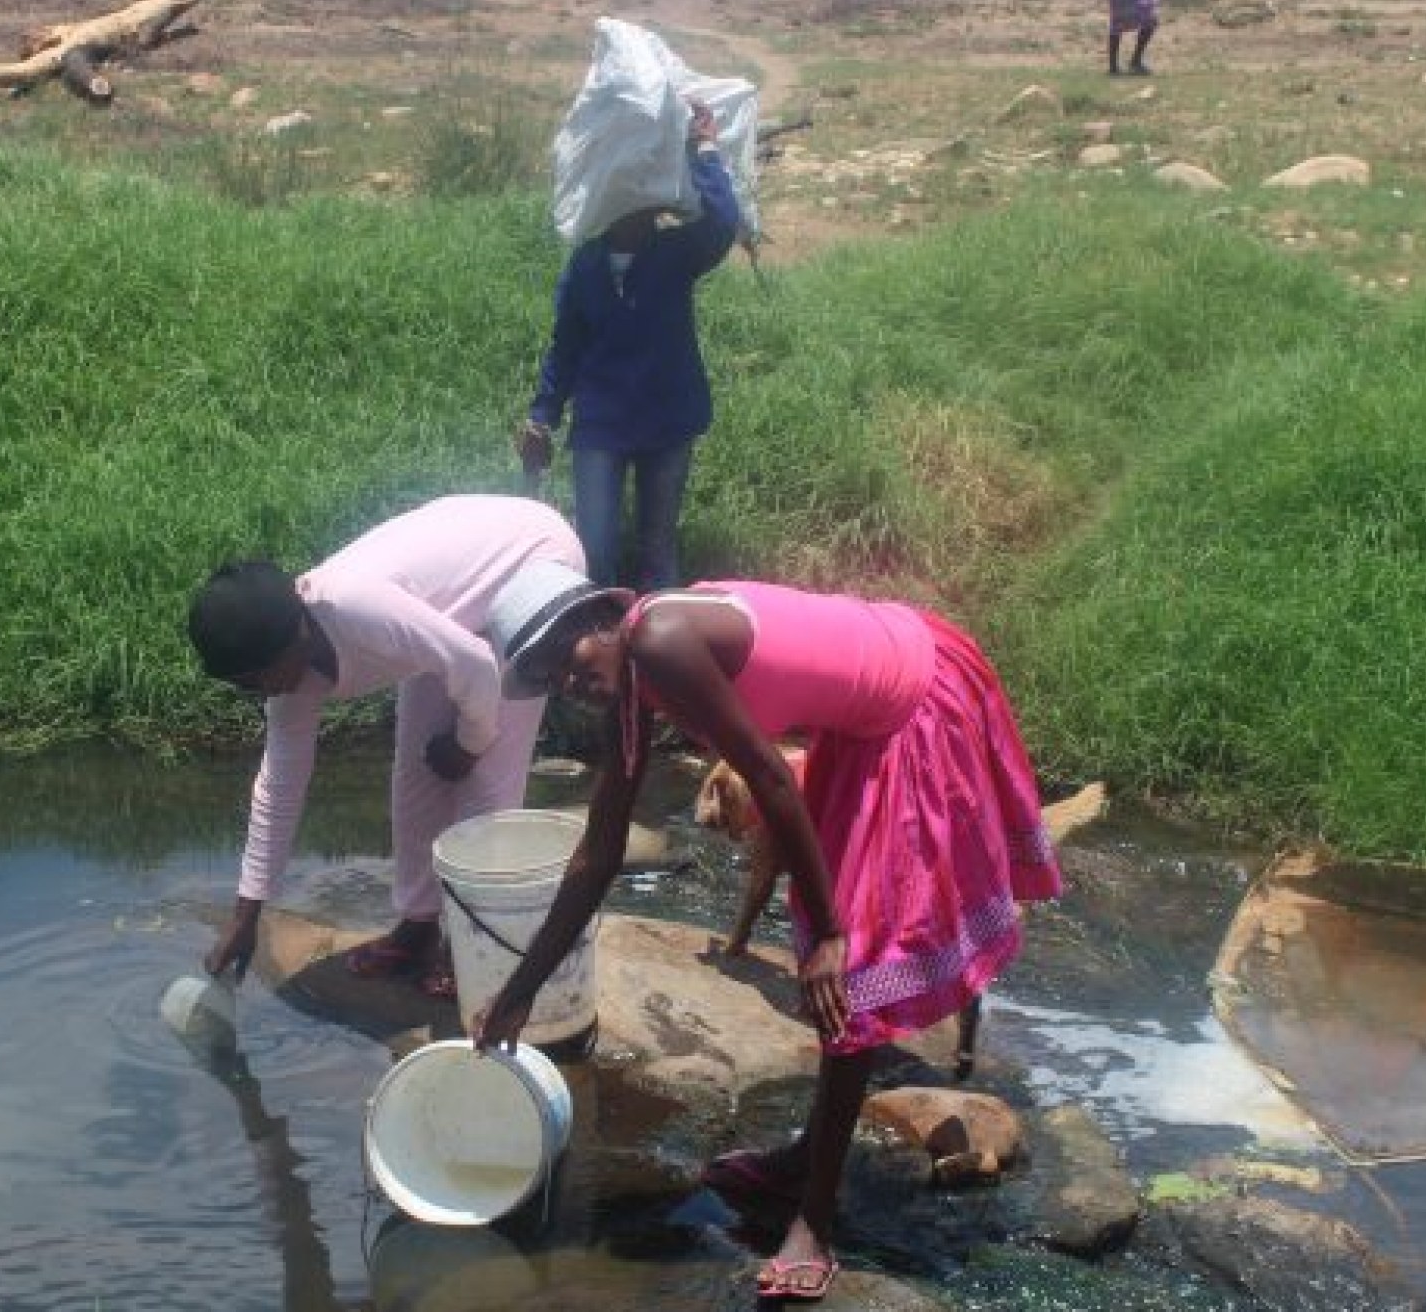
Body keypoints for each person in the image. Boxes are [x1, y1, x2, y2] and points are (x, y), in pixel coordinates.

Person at [475, 563, 1062, 1303]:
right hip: (860, 714)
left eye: (569, 659)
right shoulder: (634, 676)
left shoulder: (658, 639)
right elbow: (599, 851)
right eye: (551, 678)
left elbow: (770, 779)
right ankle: (803, 1160)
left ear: (599, 620)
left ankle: (814, 1221)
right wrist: (518, 995)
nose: (569, 681)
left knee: (853, 970)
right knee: (833, 940)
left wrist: (828, 936)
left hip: (912, 699)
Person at [184, 495, 587, 995]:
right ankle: (419, 925)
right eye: (245, 685)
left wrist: (469, 741)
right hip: (449, 605)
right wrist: (246, 917)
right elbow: (278, 789)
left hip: (526, 560)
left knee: (485, 777)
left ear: (297, 636)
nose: (262, 691)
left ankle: (474, 946)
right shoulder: (293, 677)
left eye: (260, 676)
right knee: (416, 774)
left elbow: (477, 666)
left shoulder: (356, 609)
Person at [515, 99, 740, 592]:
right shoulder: (585, 266)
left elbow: (725, 222)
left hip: (667, 420)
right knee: (593, 551)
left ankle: (660, 655)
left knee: (658, 551)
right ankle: (603, 653)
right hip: (602, 425)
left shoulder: (677, 252)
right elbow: (566, 348)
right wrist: (542, 417)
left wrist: (703, 148)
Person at [1106, 0, 1160, 76]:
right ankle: (1136, 61)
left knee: (1116, 25)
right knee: (1151, 22)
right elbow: (1145, 0)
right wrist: (1152, 0)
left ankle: (1113, 66)